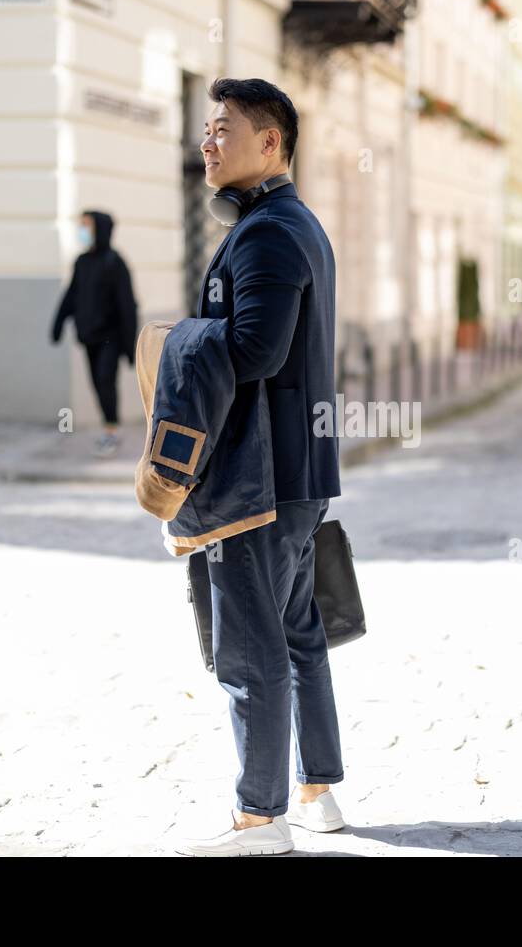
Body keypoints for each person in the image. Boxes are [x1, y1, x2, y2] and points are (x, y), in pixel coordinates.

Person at [173, 78, 343, 857]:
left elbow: (255, 351)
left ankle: (258, 818)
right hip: (295, 469)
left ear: (270, 142)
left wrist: (172, 341)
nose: (208, 141)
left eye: (223, 128)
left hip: (260, 475)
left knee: (250, 646)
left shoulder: (268, 233)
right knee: (298, 632)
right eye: (206, 129)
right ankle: (315, 792)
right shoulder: (291, 222)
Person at [50, 211, 138, 456]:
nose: (82, 231)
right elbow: (71, 294)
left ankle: (111, 432)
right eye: (81, 226)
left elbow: (127, 305)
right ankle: (109, 426)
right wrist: (58, 323)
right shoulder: (82, 262)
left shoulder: (115, 262)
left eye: (86, 226)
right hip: (89, 337)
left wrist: (130, 346)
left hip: (111, 337)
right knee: (97, 383)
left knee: (105, 379)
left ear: (100, 229)